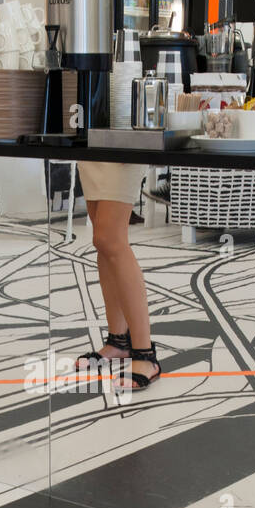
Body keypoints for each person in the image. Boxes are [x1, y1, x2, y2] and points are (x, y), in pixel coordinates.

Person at [73, 162, 160, 390]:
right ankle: (118, 341)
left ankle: (145, 354)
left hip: (124, 138)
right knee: (102, 241)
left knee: (110, 238)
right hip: (94, 141)